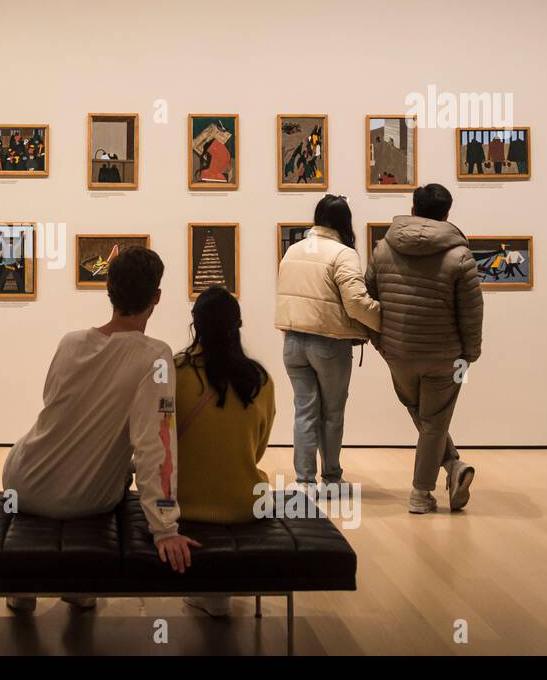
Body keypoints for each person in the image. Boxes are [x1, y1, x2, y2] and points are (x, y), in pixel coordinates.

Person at [2, 246, 199, 613]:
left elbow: (52, 403)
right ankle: (77, 586)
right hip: (83, 500)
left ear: (108, 288)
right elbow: (154, 445)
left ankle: (25, 587)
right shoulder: (154, 356)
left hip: (22, 481)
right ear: (156, 296)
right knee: (117, 472)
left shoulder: (71, 341)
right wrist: (165, 529)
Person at [365, 184, 482, 514]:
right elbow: (472, 311)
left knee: (425, 417)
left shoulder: (383, 250)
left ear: (413, 209)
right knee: (434, 421)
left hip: (397, 354)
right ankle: (421, 493)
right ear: (447, 215)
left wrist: (379, 342)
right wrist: (469, 353)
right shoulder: (459, 256)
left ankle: (454, 467)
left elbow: (368, 299)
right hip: (444, 357)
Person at [175, 286, 275, 617]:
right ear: (238, 325)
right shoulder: (259, 379)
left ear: (196, 324)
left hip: (184, 504)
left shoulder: (175, 372)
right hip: (247, 504)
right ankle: (218, 594)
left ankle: (210, 592)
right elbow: (257, 449)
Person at [274, 195, 381, 486]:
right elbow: (357, 303)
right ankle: (332, 476)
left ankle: (305, 481)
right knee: (332, 413)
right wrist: (383, 321)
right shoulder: (342, 253)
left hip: (293, 342)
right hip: (329, 342)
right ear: (345, 222)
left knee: (304, 410)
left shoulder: (293, 250)